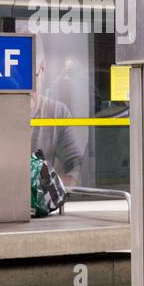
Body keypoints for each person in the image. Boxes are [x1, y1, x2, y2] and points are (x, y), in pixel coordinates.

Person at [29, 47, 84, 187]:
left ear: (43, 69)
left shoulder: (57, 112)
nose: (26, 88)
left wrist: (52, 188)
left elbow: (77, 164)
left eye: (31, 77)